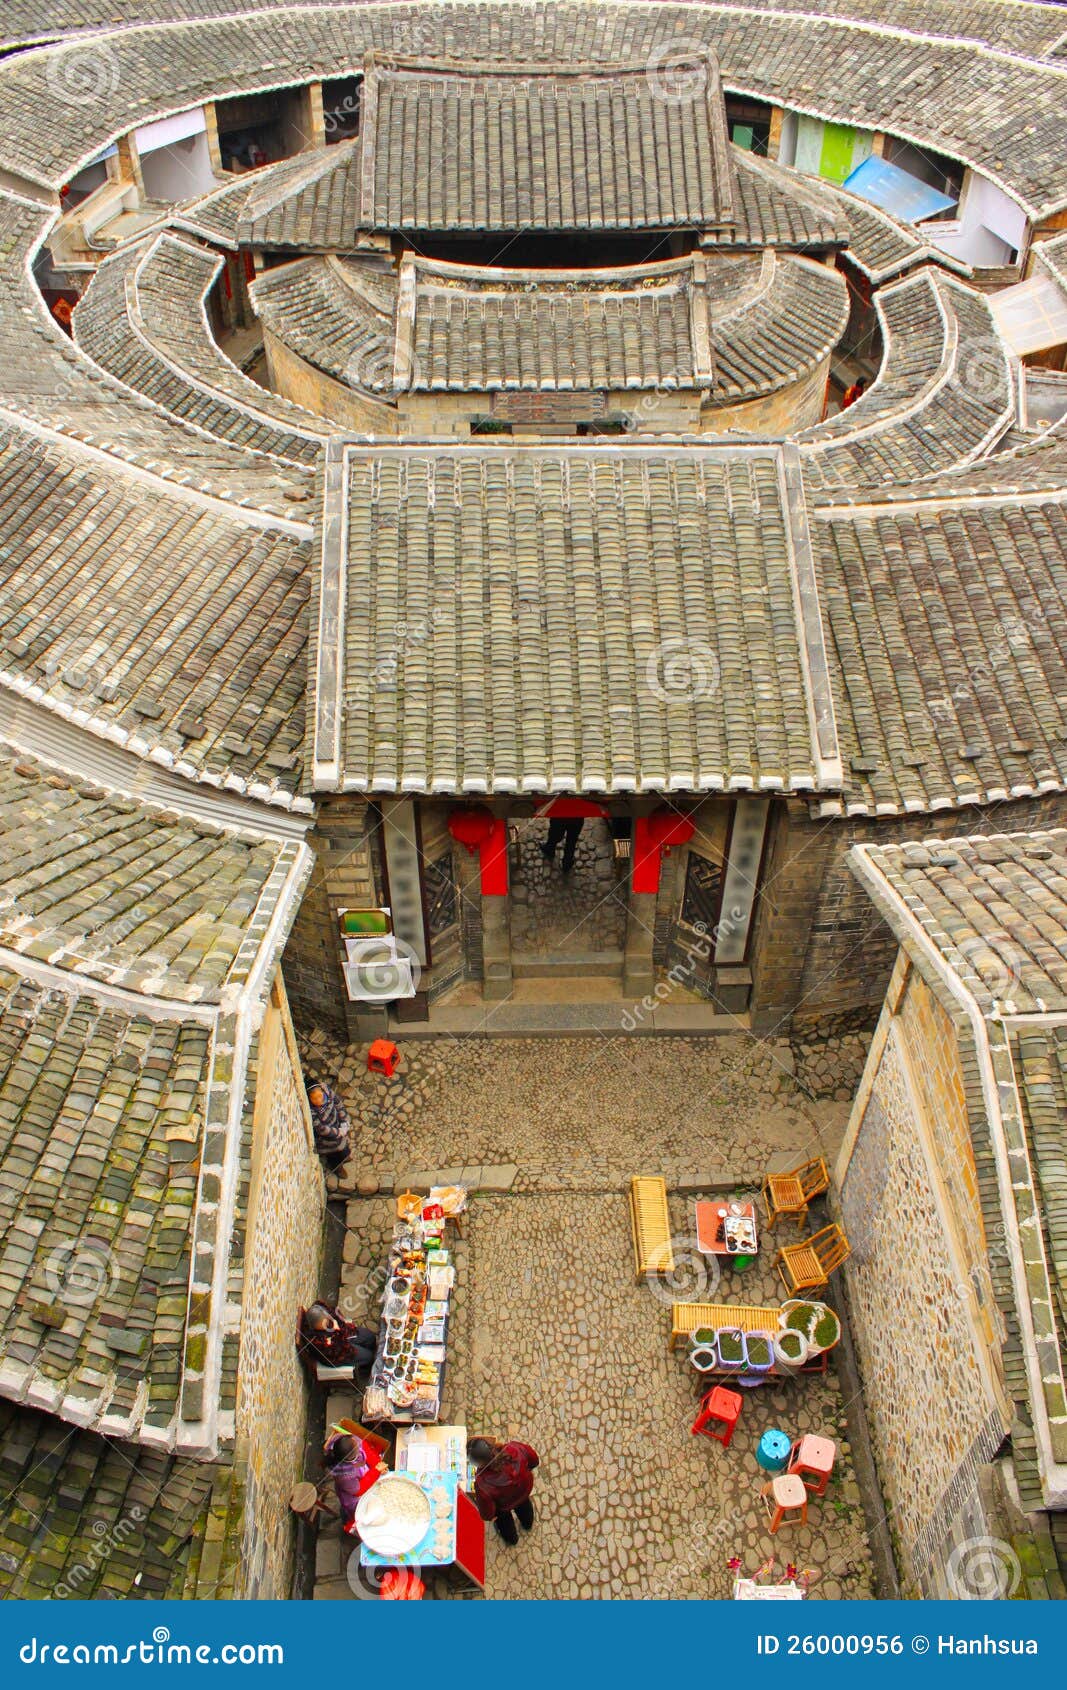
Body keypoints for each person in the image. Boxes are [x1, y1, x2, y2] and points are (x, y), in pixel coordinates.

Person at [469, 1436, 540, 1546]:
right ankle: (527, 1523)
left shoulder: (482, 1483)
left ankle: (512, 1539)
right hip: (523, 1492)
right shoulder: (514, 1448)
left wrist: (492, 1515)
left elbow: (487, 1514)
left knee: (504, 1522)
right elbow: (534, 1460)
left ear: (480, 1463)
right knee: (525, 1508)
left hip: (504, 1507)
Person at [323, 1431, 387, 1534]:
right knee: (355, 1513)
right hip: (352, 1497)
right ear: (351, 1459)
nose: (358, 1445)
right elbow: (358, 1490)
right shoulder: (345, 1475)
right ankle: (347, 1520)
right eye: (357, 1451)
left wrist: (377, 1463)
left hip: (362, 1475)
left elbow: (365, 1449)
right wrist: (375, 1471)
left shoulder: (346, 1441)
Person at [300, 1302, 378, 1372]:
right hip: (336, 1354)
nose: (327, 1324)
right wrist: (337, 1330)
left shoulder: (321, 1310)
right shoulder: (316, 1340)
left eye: (326, 1321)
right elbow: (339, 1349)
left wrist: (336, 1321)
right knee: (369, 1357)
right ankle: (364, 1369)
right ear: (315, 1326)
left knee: (370, 1337)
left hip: (342, 1334)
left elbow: (335, 1313)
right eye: (324, 1324)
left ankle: (365, 1350)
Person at [306, 1078, 351, 1170]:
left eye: (319, 1096)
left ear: (322, 1091)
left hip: (337, 1124)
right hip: (327, 1138)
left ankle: (345, 1156)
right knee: (334, 1155)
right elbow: (321, 1129)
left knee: (345, 1148)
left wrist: (344, 1122)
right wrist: (338, 1132)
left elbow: (339, 1106)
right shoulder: (312, 1111)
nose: (318, 1100)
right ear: (309, 1099)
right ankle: (337, 1167)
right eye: (314, 1098)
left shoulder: (329, 1094)